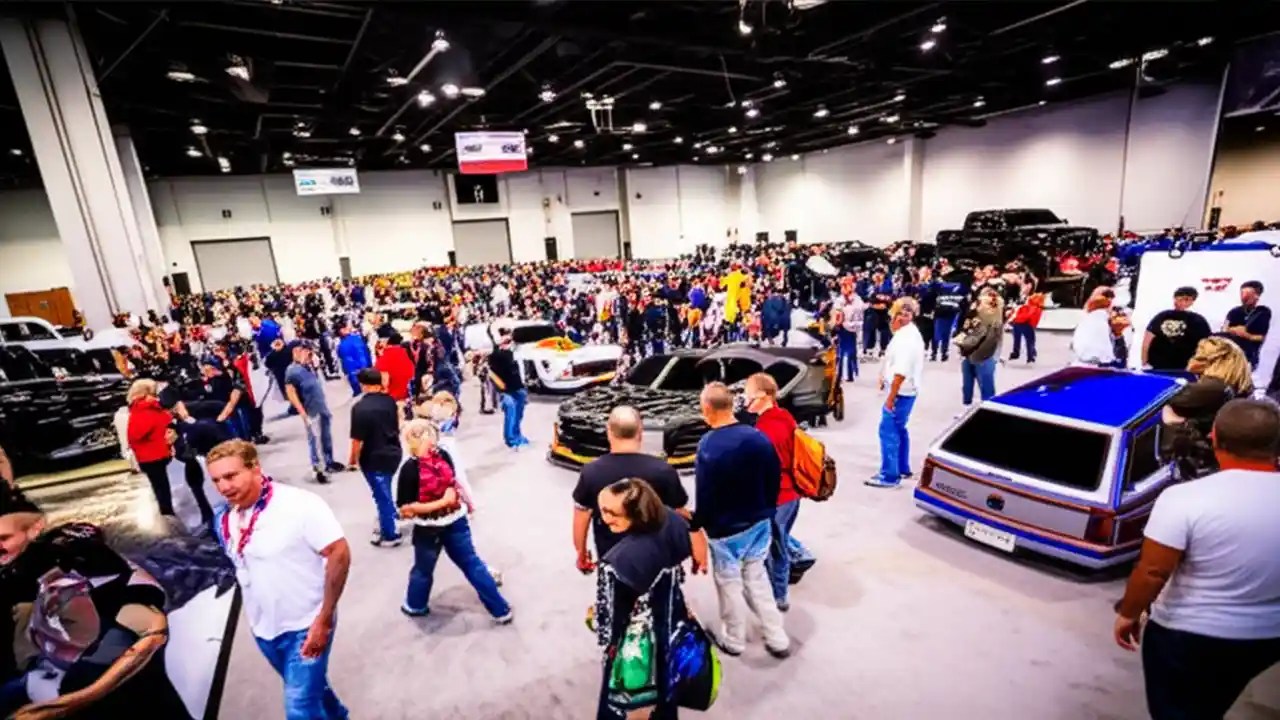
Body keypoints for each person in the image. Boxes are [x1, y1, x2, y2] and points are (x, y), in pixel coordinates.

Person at [1114, 399, 1280, 720]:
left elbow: (1152, 571)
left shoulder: (1184, 499)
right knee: (1212, 702)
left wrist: (1129, 613)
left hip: (1187, 635)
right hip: (1266, 637)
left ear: (1214, 438)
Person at [0, 485, 193, 719]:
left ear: (35, 528)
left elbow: (152, 631)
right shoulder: (18, 578)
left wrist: (65, 704)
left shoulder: (84, 562)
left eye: (4, 538)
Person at [207, 440, 351, 720]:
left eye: (231, 476)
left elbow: (339, 552)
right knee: (311, 688)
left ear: (255, 468)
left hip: (306, 623)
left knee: (299, 707)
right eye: (216, 480)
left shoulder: (299, 505)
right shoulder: (224, 517)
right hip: (265, 628)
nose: (224, 487)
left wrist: (324, 618)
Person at [692, 382, 790, 658]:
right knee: (757, 579)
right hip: (759, 523)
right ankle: (777, 637)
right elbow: (774, 477)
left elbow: (705, 493)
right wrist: (766, 510)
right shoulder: (758, 437)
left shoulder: (709, 445)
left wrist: (698, 524)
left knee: (729, 583)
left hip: (725, 530)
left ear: (708, 409)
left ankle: (734, 639)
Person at [593, 479, 696, 720]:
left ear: (636, 514)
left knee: (620, 692)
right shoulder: (674, 520)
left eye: (611, 513)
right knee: (666, 680)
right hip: (671, 616)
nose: (604, 518)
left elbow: (610, 618)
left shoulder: (618, 562)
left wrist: (606, 642)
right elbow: (678, 564)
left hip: (636, 635)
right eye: (602, 509)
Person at [395, 419, 511, 623]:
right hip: (456, 520)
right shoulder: (443, 455)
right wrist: (447, 501)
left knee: (423, 569)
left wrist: (424, 507)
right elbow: (451, 489)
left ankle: (415, 605)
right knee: (472, 564)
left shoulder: (409, 470)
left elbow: (406, 510)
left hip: (427, 529)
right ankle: (500, 610)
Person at [571, 406, 695, 572]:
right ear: (640, 432)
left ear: (609, 432)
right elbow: (680, 514)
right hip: (657, 558)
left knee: (616, 596)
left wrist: (581, 553)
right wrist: (695, 548)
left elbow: (581, 517)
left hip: (613, 560)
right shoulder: (663, 471)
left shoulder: (592, 472)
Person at [743, 372, 815, 612]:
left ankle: (779, 596)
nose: (745, 400)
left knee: (775, 548)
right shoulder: (784, 417)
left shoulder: (766, 428)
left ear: (763, 396)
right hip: (792, 495)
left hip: (778, 496)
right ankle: (798, 557)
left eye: (748, 395)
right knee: (779, 539)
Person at [1160, 337, 1255, 481]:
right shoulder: (1228, 388)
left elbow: (1158, 400)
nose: (1192, 359)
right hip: (1211, 462)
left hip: (1195, 464)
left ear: (1212, 361)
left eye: (1198, 354)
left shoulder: (1209, 388)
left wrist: (1176, 422)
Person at [867, 297, 926, 488]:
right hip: (907, 390)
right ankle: (902, 467)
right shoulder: (909, 334)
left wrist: (890, 398)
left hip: (901, 391)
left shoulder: (905, 339)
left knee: (888, 430)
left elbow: (901, 372)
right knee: (900, 428)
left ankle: (889, 475)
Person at [347, 368, 403, 548]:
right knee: (385, 490)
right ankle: (388, 519)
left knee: (382, 496)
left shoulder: (359, 409)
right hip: (393, 452)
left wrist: (352, 460)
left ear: (363, 385)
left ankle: (391, 533)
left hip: (373, 457)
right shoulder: (390, 402)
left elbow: (357, 440)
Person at [285, 344, 344, 483]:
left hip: (321, 408)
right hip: (311, 411)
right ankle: (319, 468)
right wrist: (303, 414)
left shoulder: (308, 366)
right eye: (304, 352)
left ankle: (329, 462)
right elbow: (291, 394)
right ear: (296, 352)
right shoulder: (292, 371)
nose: (308, 355)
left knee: (326, 437)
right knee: (316, 439)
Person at [126, 378, 181, 518]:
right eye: (153, 393)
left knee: (163, 486)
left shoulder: (151, 408)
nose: (156, 396)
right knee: (161, 487)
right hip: (151, 456)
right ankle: (167, 513)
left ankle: (168, 512)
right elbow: (136, 435)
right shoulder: (142, 410)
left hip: (158, 453)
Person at [1142, 286, 1212, 371]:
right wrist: (1144, 362)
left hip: (1187, 368)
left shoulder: (1198, 320)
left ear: (1192, 301)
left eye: (1186, 299)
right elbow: (1147, 339)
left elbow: (1207, 344)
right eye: (1179, 298)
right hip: (1159, 367)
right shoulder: (1162, 316)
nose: (1182, 302)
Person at [956, 289, 1003, 407]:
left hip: (985, 356)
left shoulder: (994, 320)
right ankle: (966, 406)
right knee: (967, 383)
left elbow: (996, 339)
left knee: (986, 385)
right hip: (968, 354)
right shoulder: (973, 316)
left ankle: (989, 408)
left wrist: (995, 356)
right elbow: (965, 330)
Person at [488, 331, 530, 449]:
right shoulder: (497, 355)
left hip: (519, 388)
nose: (508, 342)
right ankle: (511, 439)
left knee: (518, 414)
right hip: (506, 390)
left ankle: (517, 435)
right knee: (511, 412)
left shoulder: (514, 353)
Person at [1223, 280, 1271, 369]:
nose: (1244, 296)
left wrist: (1246, 335)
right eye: (1242, 293)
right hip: (1228, 351)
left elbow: (1261, 337)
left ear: (1257, 295)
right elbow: (1224, 329)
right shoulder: (1234, 311)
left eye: (1248, 293)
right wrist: (1234, 330)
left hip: (1247, 355)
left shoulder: (1262, 312)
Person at [374, 334, 415, 414]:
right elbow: (411, 372)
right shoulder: (403, 353)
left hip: (391, 400)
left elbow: (382, 384)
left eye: (379, 348)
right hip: (407, 396)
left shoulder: (382, 362)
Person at [336, 324, 373, 397]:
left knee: (359, 392)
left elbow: (342, 358)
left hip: (352, 371)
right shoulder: (356, 339)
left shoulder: (341, 344)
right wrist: (367, 366)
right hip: (362, 368)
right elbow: (363, 353)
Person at [1008, 293, 1044, 363]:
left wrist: (1011, 322)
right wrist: (1032, 326)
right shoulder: (1036, 308)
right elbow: (1034, 319)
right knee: (1030, 341)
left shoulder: (1022, 306)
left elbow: (1015, 313)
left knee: (1017, 339)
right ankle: (1030, 356)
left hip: (1016, 323)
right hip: (1027, 324)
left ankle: (1015, 353)